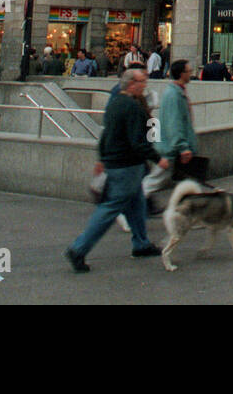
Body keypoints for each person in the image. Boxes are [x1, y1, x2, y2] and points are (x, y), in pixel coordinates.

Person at [65, 68, 169, 272]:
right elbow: (137, 141)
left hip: (118, 163)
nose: (145, 84)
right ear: (131, 83)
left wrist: (102, 157)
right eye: (142, 81)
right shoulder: (132, 107)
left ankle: (141, 243)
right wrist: (158, 159)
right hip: (127, 165)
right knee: (110, 207)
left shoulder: (114, 104)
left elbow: (106, 133)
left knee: (137, 202)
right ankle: (78, 248)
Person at [142, 59, 207, 216]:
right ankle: (126, 209)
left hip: (174, 148)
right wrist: (182, 147)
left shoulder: (178, 92)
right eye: (189, 71)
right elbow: (174, 123)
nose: (191, 74)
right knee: (153, 182)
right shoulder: (173, 94)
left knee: (187, 182)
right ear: (181, 74)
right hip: (171, 149)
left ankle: (191, 214)